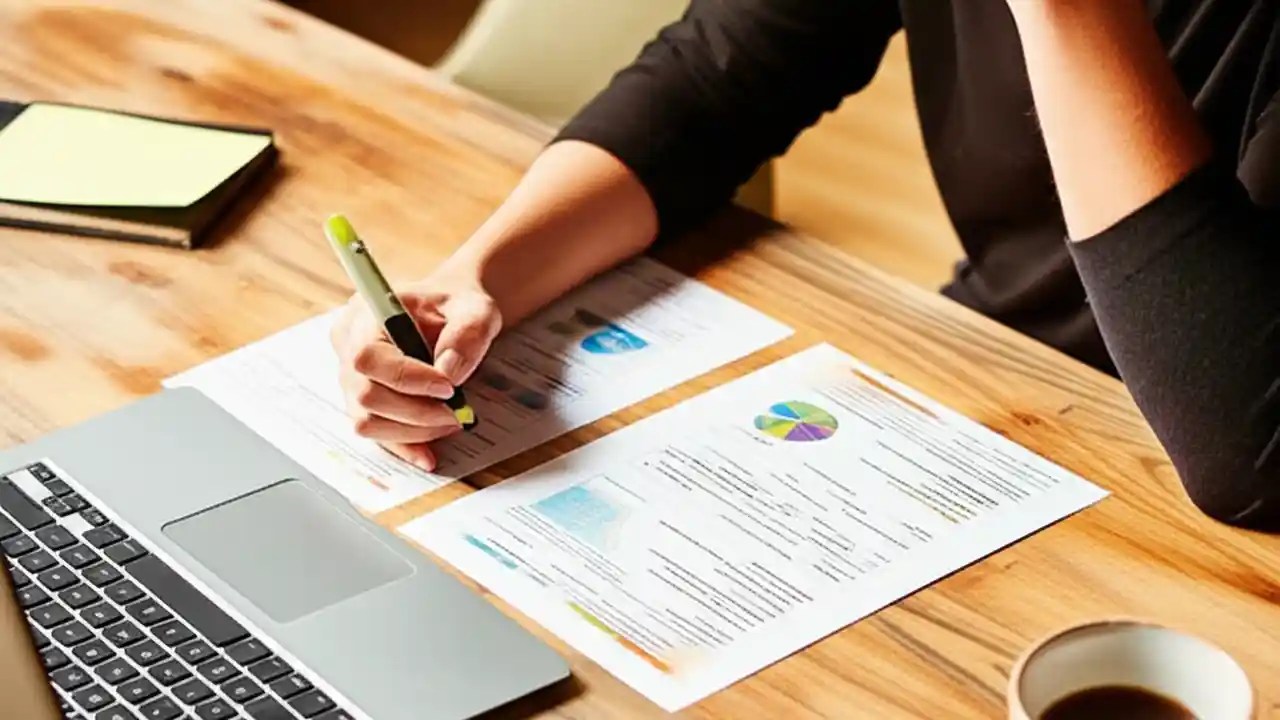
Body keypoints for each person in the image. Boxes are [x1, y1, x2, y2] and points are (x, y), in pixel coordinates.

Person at [329, 1, 1280, 528]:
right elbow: (718, 78)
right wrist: (480, 277)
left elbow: (1249, 453)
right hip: (993, 396)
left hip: (1201, 510)